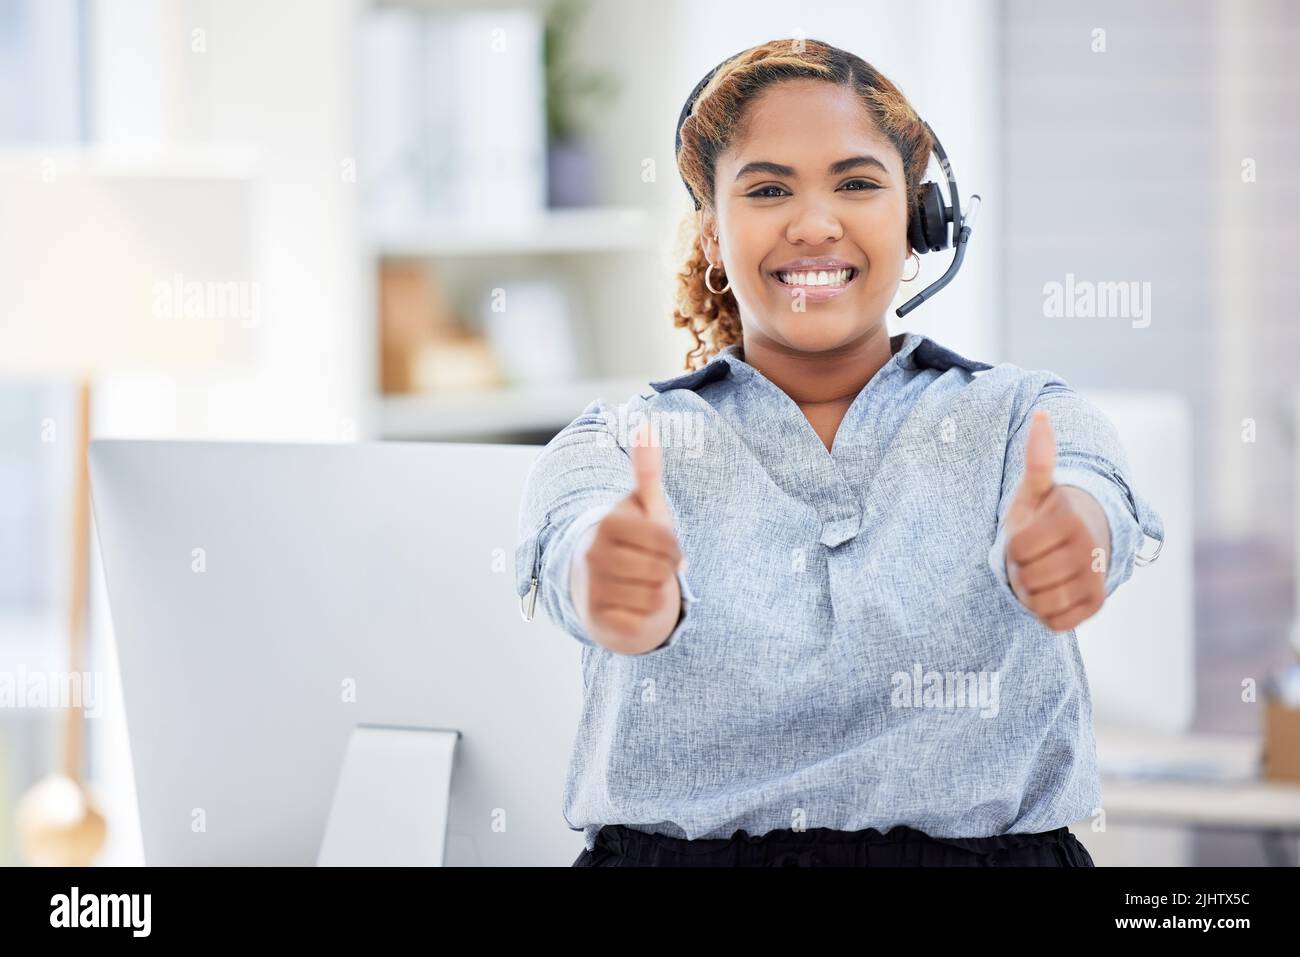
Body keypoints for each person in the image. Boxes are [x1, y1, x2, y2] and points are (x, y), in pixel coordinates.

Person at [515, 37, 1164, 867]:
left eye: (857, 184)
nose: (815, 223)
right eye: (769, 188)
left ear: (919, 220)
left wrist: (1078, 537)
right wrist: (603, 578)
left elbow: (1091, 486)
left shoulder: (1022, 415)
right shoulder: (617, 440)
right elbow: (575, 530)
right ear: (712, 237)